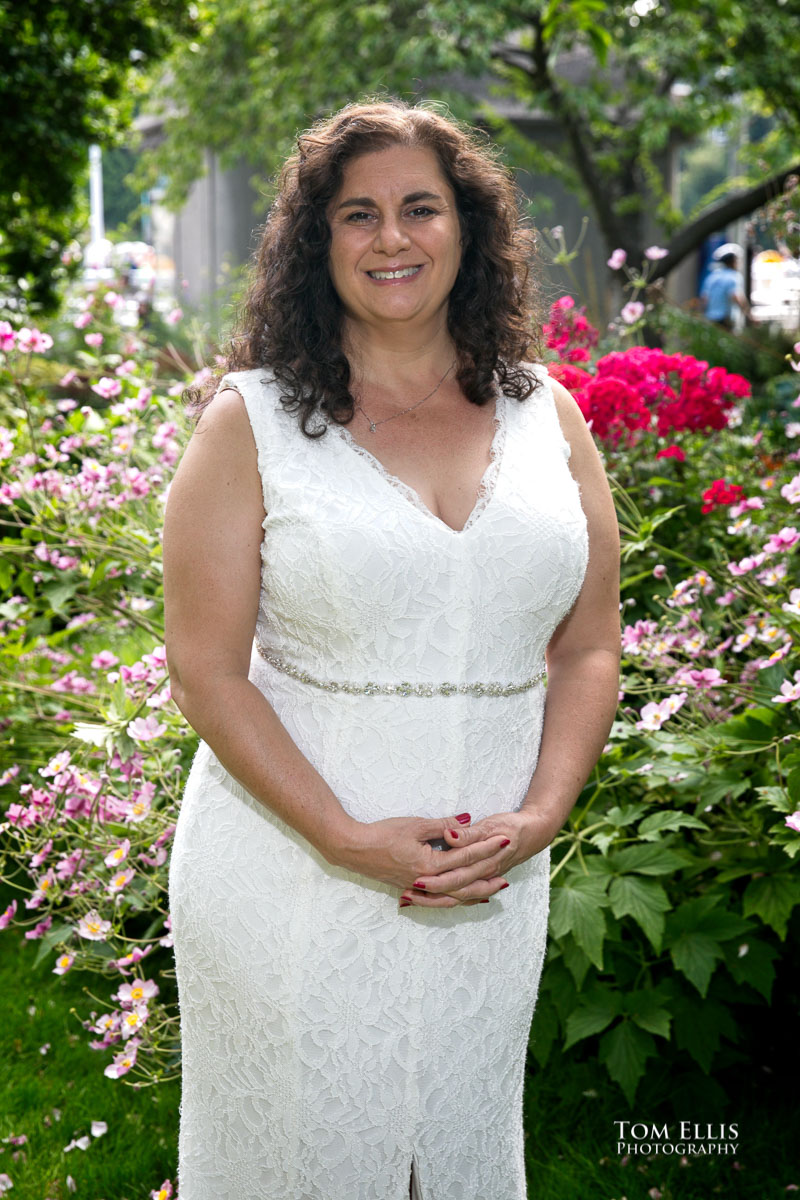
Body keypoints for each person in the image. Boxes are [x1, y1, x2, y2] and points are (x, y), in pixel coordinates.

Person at [164, 99, 620, 1200]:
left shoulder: (545, 414)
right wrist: (343, 836)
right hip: (292, 867)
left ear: (465, 226)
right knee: (303, 1162)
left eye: (419, 207)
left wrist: (542, 815)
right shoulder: (252, 422)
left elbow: (589, 648)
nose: (391, 238)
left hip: (489, 872)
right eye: (355, 215)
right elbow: (205, 669)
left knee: (452, 1159)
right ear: (316, 246)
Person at [700, 249, 751, 330]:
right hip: (725, 319)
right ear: (732, 262)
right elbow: (736, 297)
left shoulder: (712, 277)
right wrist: (749, 315)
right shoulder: (733, 277)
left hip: (711, 317)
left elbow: (704, 298)